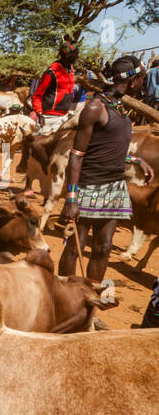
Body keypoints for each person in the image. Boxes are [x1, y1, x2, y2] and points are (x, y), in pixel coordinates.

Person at [59, 56, 154, 283]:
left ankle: (90, 299)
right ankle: (62, 297)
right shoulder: (95, 108)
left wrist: (135, 160)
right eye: (141, 79)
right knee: (76, 246)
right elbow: (76, 155)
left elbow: (107, 146)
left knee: (103, 247)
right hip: (88, 186)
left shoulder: (120, 108)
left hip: (114, 187)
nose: (142, 84)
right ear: (133, 81)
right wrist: (72, 198)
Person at [31, 38, 80, 134]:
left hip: (64, 117)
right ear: (67, 55)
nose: (76, 58)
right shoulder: (51, 73)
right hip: (48, 119)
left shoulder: (70, 70)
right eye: (75, 55)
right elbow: (37, 96)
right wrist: (40, 114)